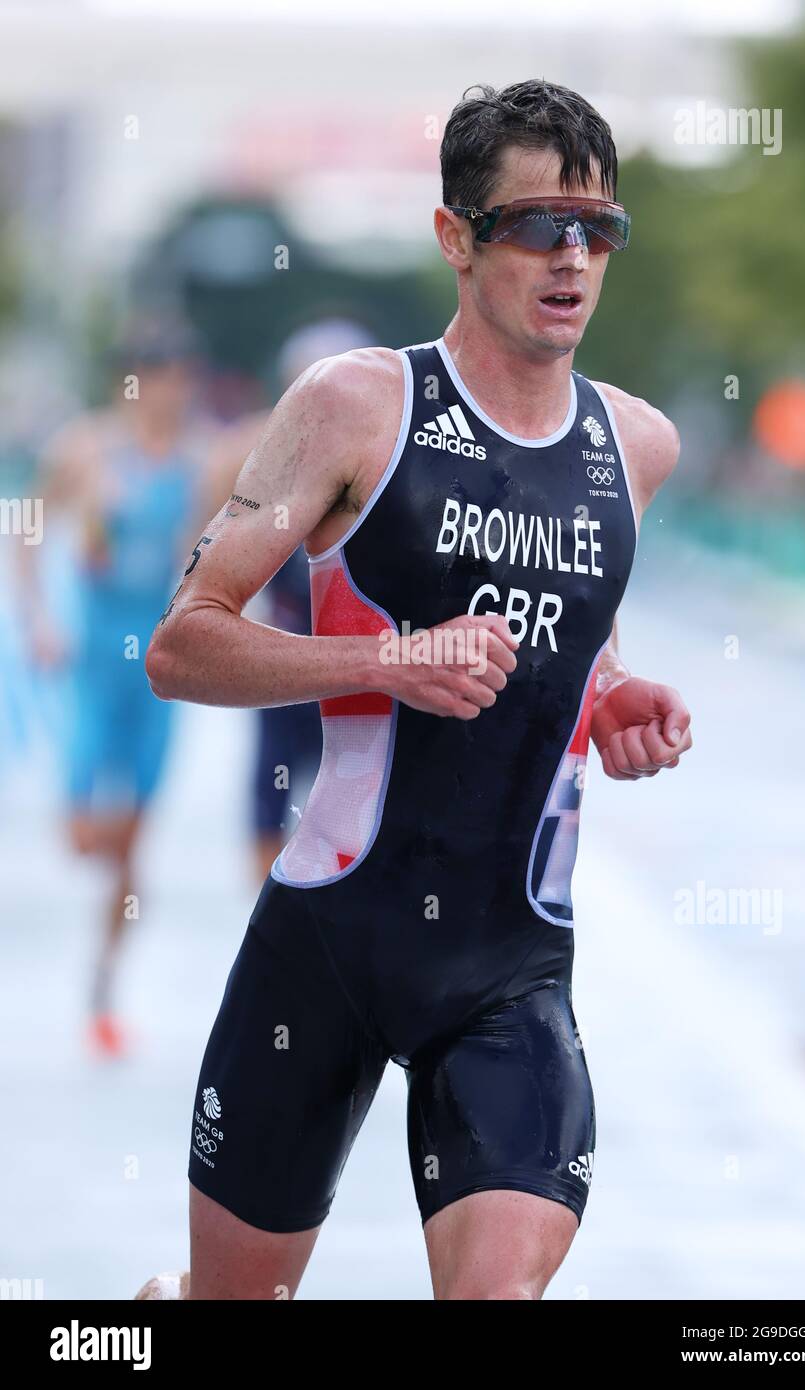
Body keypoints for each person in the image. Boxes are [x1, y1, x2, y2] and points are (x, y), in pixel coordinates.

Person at [140, 79, 692, 1301]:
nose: (570, 257)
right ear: (455, 237)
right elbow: (181, 645)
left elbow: (568, 641)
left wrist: (610, 699)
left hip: (508, 974)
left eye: (595, 229)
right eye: (535, 224)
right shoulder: (354, 408)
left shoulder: (634, 444)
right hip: (327, 949)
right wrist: (381, 660)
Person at [21, 321, 216, 1057]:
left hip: (156, 673)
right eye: (161, 376)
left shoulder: (200, 465)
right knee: (83, 840)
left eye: (182, 377)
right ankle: (114, 893)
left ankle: (104, 983)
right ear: (133, 380)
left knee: (133, 843)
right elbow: (26, 524)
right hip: (92, 666)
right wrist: (39, 616)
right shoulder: (86, 449)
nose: (175, 391)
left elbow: (210, 556)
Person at [208, 319, 375, 882]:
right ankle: (266, 918)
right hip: (288, 641)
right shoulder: (255, 449)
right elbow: (208, 533)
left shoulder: (386, 455)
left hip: (359, 658)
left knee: (359, 807)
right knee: (270, 789)